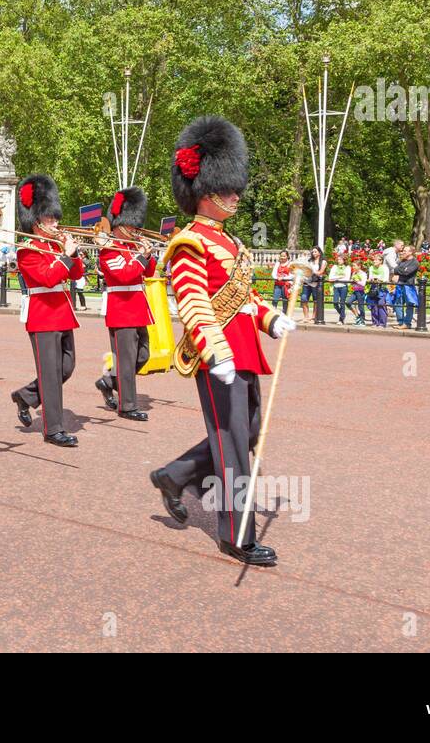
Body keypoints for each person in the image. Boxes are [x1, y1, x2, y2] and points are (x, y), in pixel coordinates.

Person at [149, 116, 292, 567]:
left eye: (234, 188)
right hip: (219, 353)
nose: (235, 195)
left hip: (245, 347)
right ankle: (237, 536)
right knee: (231, 443)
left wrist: (271, 319)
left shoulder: (228, 243)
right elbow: (193, 304)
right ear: (204, 190)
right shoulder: (190, 243)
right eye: (227, 189)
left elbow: (245, 298)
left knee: (246, 432)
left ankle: (174, 475)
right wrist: (216, 353)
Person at [10, 174, 83, 448]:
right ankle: (53, 429)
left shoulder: (55, 245)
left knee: (66, 367)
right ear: (36, 220)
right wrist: (65, 256)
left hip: (62, 313)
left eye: (54, 218)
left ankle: (27, 395)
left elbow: (76, 273)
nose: (55, 223)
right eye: (50, 219)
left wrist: (72, 254)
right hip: (42, 316)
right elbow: (47, 278)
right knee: (51, 373)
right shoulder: (27, 249)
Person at [93, 187, 157, 421]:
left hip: (138, 309)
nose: (134, 230)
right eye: (130, 226)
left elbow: (147, 273)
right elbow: (125, 275)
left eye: (135, 226)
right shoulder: (109, 250)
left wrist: (148, 256)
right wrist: (141, 257)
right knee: (127, 360)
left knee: (143, 355)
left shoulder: (132, 247)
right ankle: (127, 406)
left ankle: (109, 381)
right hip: (122, 310)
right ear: (118, 225)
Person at [392, 245, 420, 329]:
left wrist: (400, 274)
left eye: (405, 251)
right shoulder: (402, 261)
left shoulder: (415, 262)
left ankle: (407, 323)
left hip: (408, 285)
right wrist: (402, 270)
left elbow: (407, 272)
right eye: (403, 250)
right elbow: (395, 270)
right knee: (397, 304)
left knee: (409, 305)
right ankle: (400, 322)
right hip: (399, 285)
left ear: (411, 252)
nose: (403, 252)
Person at [300, 246, 325, 322]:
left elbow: (321, 272)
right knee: (304, 299)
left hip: (315, 283)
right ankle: (306, 317)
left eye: (315, 252)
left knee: (316, 301)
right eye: (313, 252)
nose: (313, 253)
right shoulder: (310, 260)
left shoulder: (323, 261)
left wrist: (312, 271)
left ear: (319, 253)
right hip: (307, 282)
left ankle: (313, 317)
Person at [328, 255, 351, 324]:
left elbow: (346, 279)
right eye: (338, 259)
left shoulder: (347, 267)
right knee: (335, 303)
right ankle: (343, 315)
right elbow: (330, 278)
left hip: (344, 286)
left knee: (342, 303)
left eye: (340, 259)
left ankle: (341, 319)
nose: (339, 261)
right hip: (336, 286)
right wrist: (340, 277)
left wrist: (335, 278)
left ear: (344, 260)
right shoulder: (334, 267)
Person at [367, 257, 390, 327]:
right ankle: (375, 322)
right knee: (373, 305)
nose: (374, 261)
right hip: (373, 287)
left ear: (381, 261)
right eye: (374, 259)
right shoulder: (371, 267)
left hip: (382, 288)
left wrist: (378, 279)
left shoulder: (385, 268)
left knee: (381, 304)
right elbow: (370, 277)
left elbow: (386, 278)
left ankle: (382, 323)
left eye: (376, 260)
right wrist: (372, 279)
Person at [348, 260, 368, 325]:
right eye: (352, 266)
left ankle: (362, 321)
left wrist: (356, 281)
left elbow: (363, 284)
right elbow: (351, 281)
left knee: (361, 307)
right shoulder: (354, 273)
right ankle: (357, 316)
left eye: (354, 266)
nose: (353, 267)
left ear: (359, 266)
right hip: (355, 291)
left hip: (361, 291)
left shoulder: (363, 274)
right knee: (348, 302)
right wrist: (351, 281)